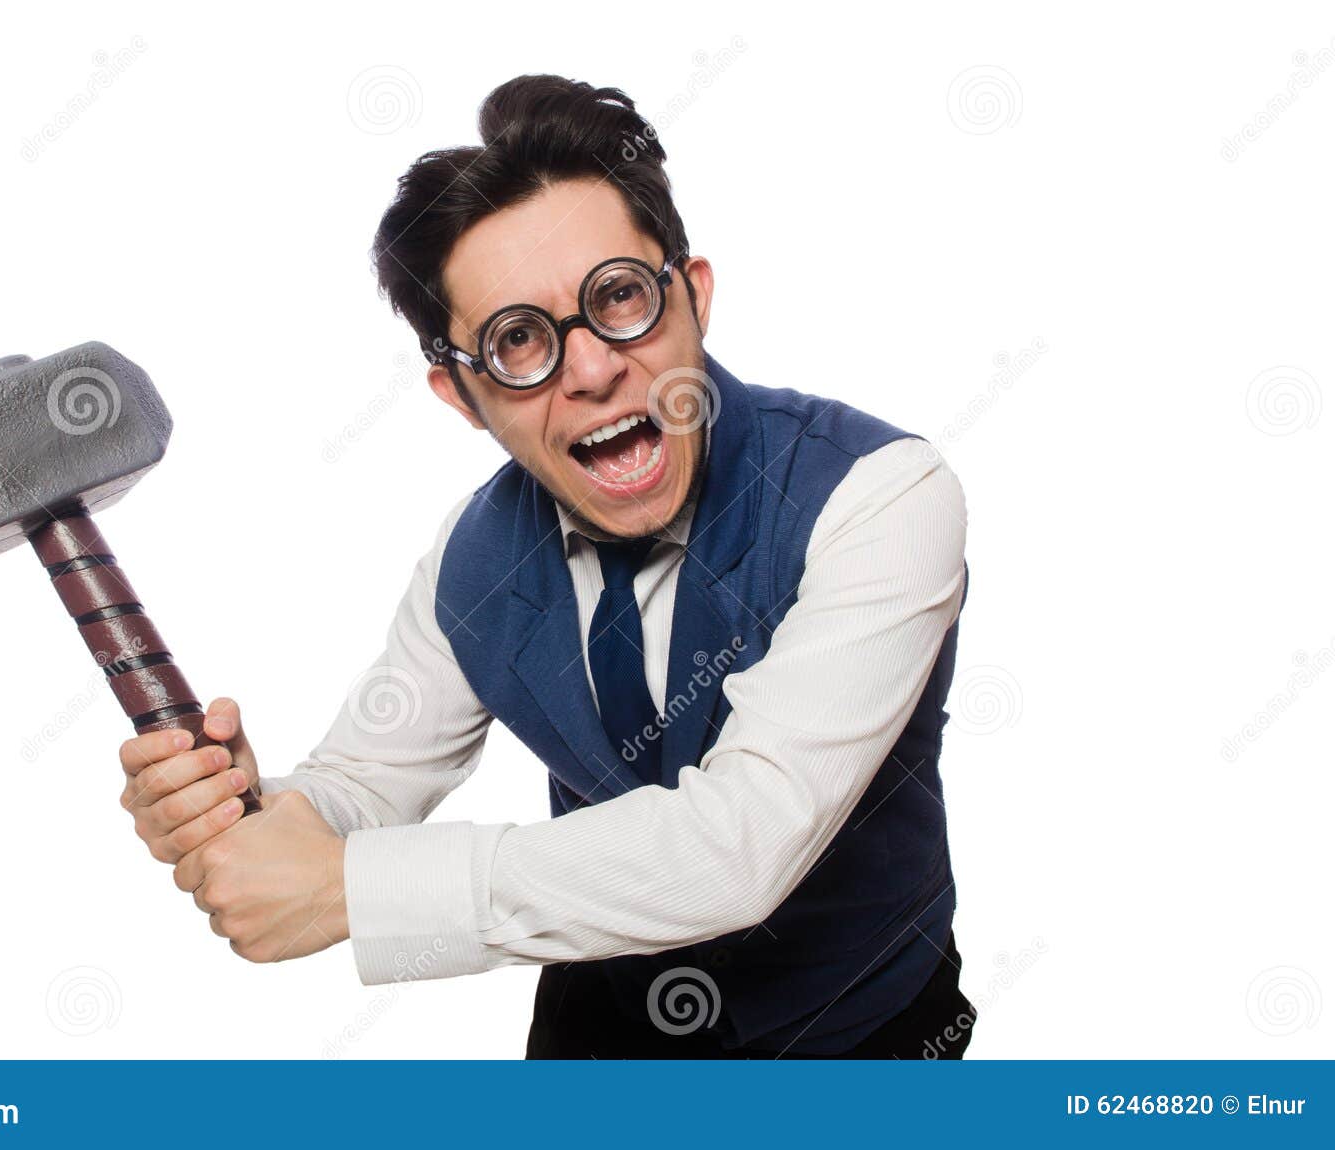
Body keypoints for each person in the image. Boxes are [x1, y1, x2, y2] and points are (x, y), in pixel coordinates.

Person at [114, 74, 976, 1059]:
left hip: (864, 1033)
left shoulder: (880, 497)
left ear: (693, 295)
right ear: (460, 394)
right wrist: (258, 816)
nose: (592, 369)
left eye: (620, 296)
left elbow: (741, 844)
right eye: (517, 339)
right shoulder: (474, 558)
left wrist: (352, 892)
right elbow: (365, 780)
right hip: (598, 1025)